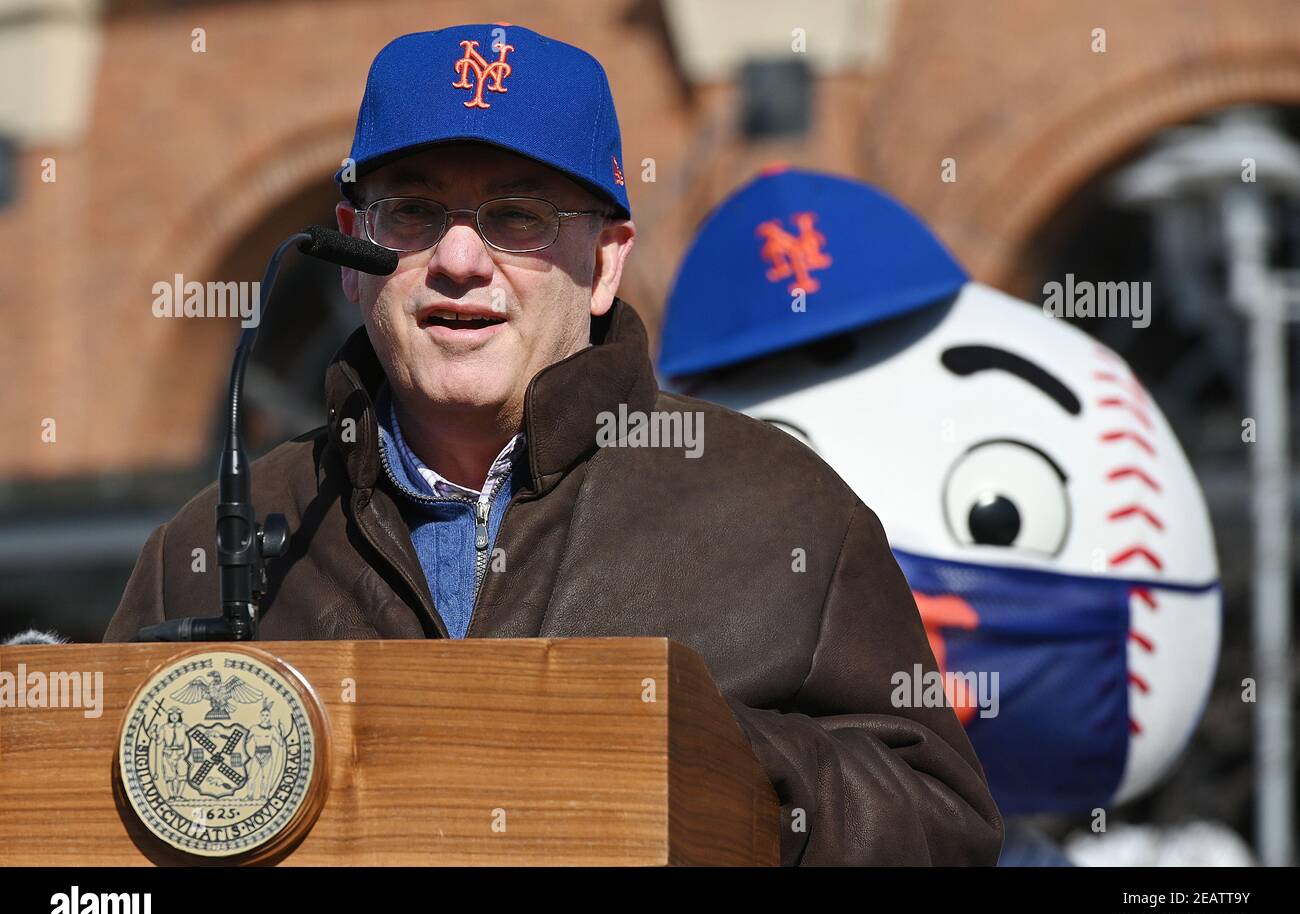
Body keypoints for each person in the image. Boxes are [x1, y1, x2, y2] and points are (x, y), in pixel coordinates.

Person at [104, 23, 1003, 866]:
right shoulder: (203, 545)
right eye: (413, 213)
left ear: (607, 261)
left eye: (518, 218)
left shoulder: (785, 511)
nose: (459, 260)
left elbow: (947, 830)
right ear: (354, 252)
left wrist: (716, 757)